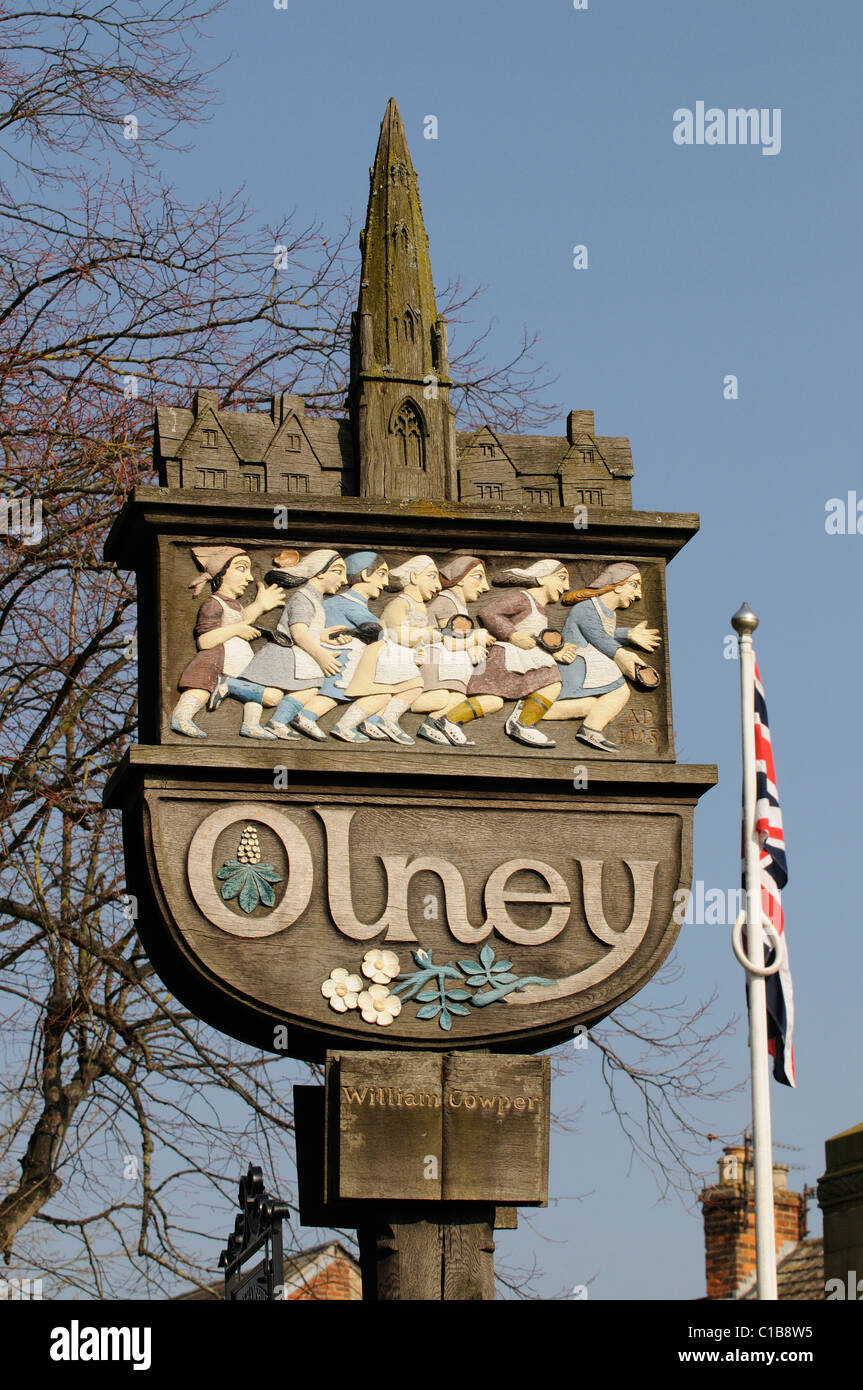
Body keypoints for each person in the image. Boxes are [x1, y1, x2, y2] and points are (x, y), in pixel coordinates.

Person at [445, 559, 576, 748]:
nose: (567, 586)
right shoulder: (522, 599)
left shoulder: (540, 607)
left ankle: (523, 723)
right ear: (541, 578)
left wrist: (553, 652)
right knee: (493, 701)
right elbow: (489, 612)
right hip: (507, 659)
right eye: (562, 578)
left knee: (550, 683)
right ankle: (448, 721)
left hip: (525, 659)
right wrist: (512, 635)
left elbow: (533, 637)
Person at [305, 550, 423, 743]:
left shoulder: (349, 603)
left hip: (352, 660)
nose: (385, 583)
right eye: (381, 574)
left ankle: (369, 721)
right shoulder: (349, 604)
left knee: (381, 692)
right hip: (342, 662)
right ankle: (311, 718)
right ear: (365, 574)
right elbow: (377, 632)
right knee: (337, 694)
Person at [543, 562, 662, 752]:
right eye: (634, 584)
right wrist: (621, 654)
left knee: (589, 705)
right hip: (577, 667)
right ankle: (590, 729)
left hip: (589, 664)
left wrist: (628, 634)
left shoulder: (606, 612)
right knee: (620, 690)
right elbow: (597, 637)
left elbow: (603, 633)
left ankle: (534, 709)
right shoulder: (586, 609)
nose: (638, 594)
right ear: (617, 584)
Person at [171, 546, 284, 740]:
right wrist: (236, 630)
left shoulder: (236, 604)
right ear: (221, 572)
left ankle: (251, 724)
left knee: (260, 688)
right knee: (200, 690)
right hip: (217, 662)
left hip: (238, 661)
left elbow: (241, 618)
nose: (249, 578)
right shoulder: (213, 603)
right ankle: (181, 718)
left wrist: (260, 606)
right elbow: (204, 641)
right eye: (241, 568)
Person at [238, 549, 350, 740]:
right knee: (304, 689)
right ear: (320, 571)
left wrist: (324, 636)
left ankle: (274, 722)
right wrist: (322, 656)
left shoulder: (313, 599)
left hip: (296, 653)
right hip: (285, 654)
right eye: (338, 571)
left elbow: (307, 629)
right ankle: (274, 719)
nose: (345, 580)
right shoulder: (303, 598)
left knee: (297, 690)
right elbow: (298, 632)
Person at [379, 555, 475, 746]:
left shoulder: (420, 607)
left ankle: (431, 724)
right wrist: (429, 635)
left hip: (412, 658)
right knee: (436, 696)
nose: (438, 587)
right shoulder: (401, 603)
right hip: (392, 658)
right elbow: (396, 633)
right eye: (432, 577)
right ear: (414, 577)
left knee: (454, 696)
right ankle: (384, 716)